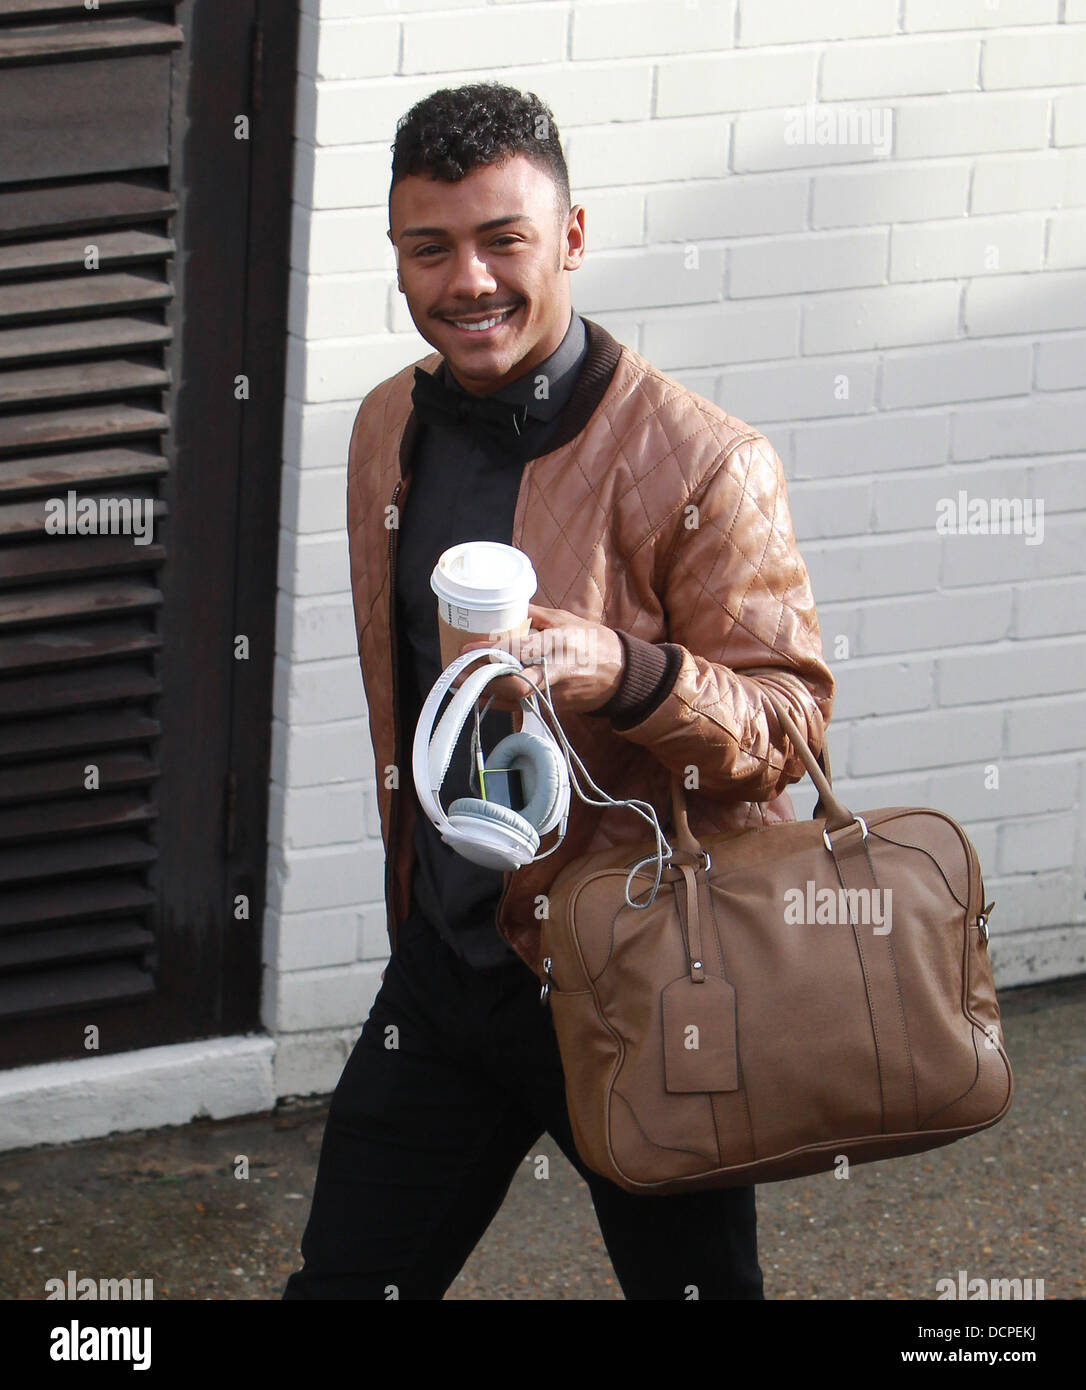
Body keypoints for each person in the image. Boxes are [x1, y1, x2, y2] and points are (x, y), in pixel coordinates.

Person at [282, 81, 835, 1301]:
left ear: (570, 240)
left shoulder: (703, 462)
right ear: (397, 255)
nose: (467, 279)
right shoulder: (388, 425)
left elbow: (787, 727)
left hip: (640, 990)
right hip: (443, 972)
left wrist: (628, 675)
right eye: (431, 248)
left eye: (503, 240)